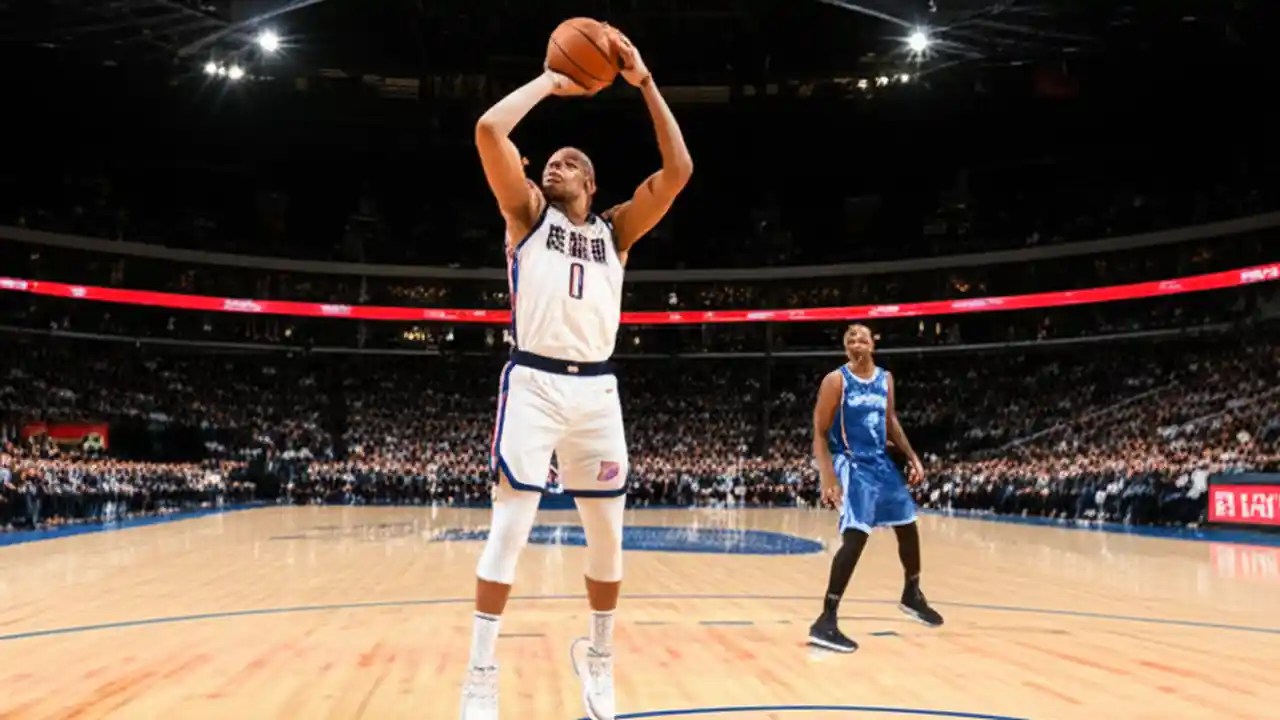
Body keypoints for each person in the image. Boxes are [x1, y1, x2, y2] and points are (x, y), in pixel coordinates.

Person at [459, 27, 693, 720]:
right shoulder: (527, 215)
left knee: (607, 538)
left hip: (596, 390)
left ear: (591, 184)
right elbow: (488, 131)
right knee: (510, 529)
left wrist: (645, 82)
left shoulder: (615, 232)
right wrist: (550, 81)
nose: (554, 167)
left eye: (568, 164)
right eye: (551, 162)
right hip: (533, 382)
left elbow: (678, 171)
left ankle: (600, 660)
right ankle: (480, 673)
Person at [807, 324, 944, 653]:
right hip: (851, 462)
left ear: (872, 344)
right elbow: (820, 430)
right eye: (850, 339)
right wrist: (828, 476)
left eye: (862, 337)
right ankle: (826, 618)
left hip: (880, 462)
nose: (856, 342)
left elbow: (890, 420)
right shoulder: (836, 380)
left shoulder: (885, 378)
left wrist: (912, 456)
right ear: (846, 347)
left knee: (908, 524)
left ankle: (912, 592)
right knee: (856, 536)